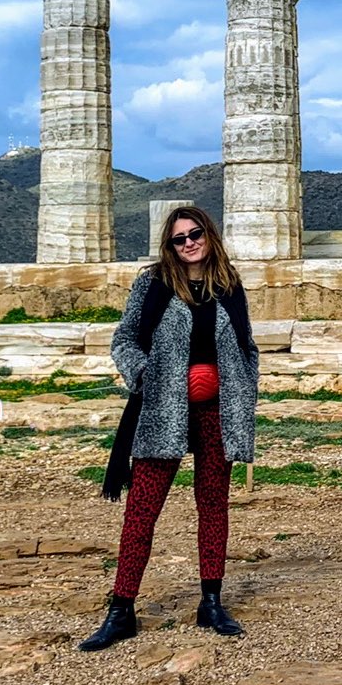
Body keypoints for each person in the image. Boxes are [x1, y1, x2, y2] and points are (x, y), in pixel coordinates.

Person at [78, 205, 260, 652]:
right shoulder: (153, 283)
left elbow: (246, 344)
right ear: (170, 245)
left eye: (195, 234)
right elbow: (123, 339)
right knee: (142, 509)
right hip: (163, 408)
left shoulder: (229, 286)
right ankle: (121, 610)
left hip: (217, 410)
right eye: (179, 239)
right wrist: (146, 376)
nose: (188, 244)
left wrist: (244, 385)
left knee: (214, 506)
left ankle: (211, 602)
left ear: (208, 234)